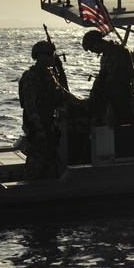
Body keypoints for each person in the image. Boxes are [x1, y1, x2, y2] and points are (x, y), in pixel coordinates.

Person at [18, 40, 80, 178]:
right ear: (38, 56)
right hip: (37, 125)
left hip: (48, 123)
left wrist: (81, 102)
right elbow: (30, 105)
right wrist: (38, 127)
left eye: (52, 54)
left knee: (48, 160)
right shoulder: (31, 76)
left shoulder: (50, 75)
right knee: (36, 161)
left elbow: (62, 93)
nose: (52, 57)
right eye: (48, 54)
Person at [82, 30, 134, 125]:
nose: (93, 51)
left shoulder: (120, 51)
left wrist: (111, 86)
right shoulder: (105, 56)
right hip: (109, 97)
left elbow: (128, 75)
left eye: (91, 48)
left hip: (120, 97)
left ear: (98, 42)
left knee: (124, 124)